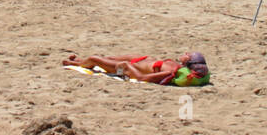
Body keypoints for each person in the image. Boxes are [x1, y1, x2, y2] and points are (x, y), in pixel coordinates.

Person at [62, 52, 209, 85]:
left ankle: (76, 64)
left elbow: (142, 78)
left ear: (190, 62)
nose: (184, 54)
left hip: (127, 69)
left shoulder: (172, 72)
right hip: (139, 60)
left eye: (187, 55)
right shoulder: (178, 67)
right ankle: (82, 61)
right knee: (108, 58)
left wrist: (128, 68)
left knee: (95, 59)